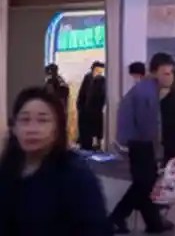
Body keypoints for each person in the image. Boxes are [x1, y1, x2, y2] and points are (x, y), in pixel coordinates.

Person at [0, 87, 111, 235]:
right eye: (25, 120)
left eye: (42, 120)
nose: (32, 129)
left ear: (56, 130)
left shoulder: (76, 176)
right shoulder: (8, 170)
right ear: (14, 127)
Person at [110, 52, 175, 234]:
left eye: (171, 73)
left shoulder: (147, 89)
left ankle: (153, 223)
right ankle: (117, 217)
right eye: (166, 73)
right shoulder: (147, 93)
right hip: (141, 144)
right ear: (155, 72)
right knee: (144, 183)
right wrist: (156, 151)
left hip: (138, 143)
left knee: (145, 183)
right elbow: (148, 125)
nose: (170, 78)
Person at [76, 61, 107, 151]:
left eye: (101, 70)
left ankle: (96, 146)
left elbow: (102, 96)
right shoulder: (88, 77)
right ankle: (85, 147)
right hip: (85, 111)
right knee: (85, 133)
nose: (99, 72)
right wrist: (80, 107)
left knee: (96, 131)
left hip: (96, 111)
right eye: (97, 70)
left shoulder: (102, 80)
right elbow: (82, 93)